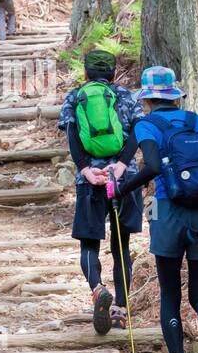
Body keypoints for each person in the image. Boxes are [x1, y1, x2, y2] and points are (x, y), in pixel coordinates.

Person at [112, 66, 198, 353]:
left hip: (166, 212)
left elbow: (152, 167)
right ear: (175, 95)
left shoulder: (147, 125)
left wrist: (124, 190)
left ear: (148, 99)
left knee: (170, 293)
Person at [58, 50, 144, 335]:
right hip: (124, 180)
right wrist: (120, 166)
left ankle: (97, 289)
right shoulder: (128, 97)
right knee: (122, 247)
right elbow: (138, 134)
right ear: (114, 73)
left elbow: (72, 135)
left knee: (88, 243)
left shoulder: (76, 97)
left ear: (85, 73)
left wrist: (85, 169)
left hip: (90, 182)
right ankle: (120, 310)